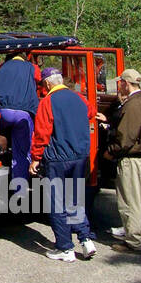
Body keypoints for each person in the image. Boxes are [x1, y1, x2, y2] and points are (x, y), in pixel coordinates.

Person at [30, 69, 97, 262]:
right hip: (80, 156)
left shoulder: (47, 102)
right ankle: (85, 239)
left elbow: (42, 134)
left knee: (57, 202)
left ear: (48, 84)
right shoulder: (78, 98)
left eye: (42, 85)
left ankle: (65, 247)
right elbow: (91, 112)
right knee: (74, 198)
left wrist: (36, 158)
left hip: (58, 158)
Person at [103, 68, 141, 253]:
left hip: (131, 159)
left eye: (121, 83)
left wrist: (111, 151)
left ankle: (133, 241)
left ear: (126, 84)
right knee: (137, 201)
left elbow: (127, 136)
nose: (120, 86)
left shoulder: (134, 105)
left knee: (128, 202)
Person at [0, 51, 40, 185]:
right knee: (21, 153)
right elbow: (40, 80)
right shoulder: (32, 68)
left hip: (2, 112)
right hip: (23, 113)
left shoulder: (2, 67)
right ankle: (20, 189)